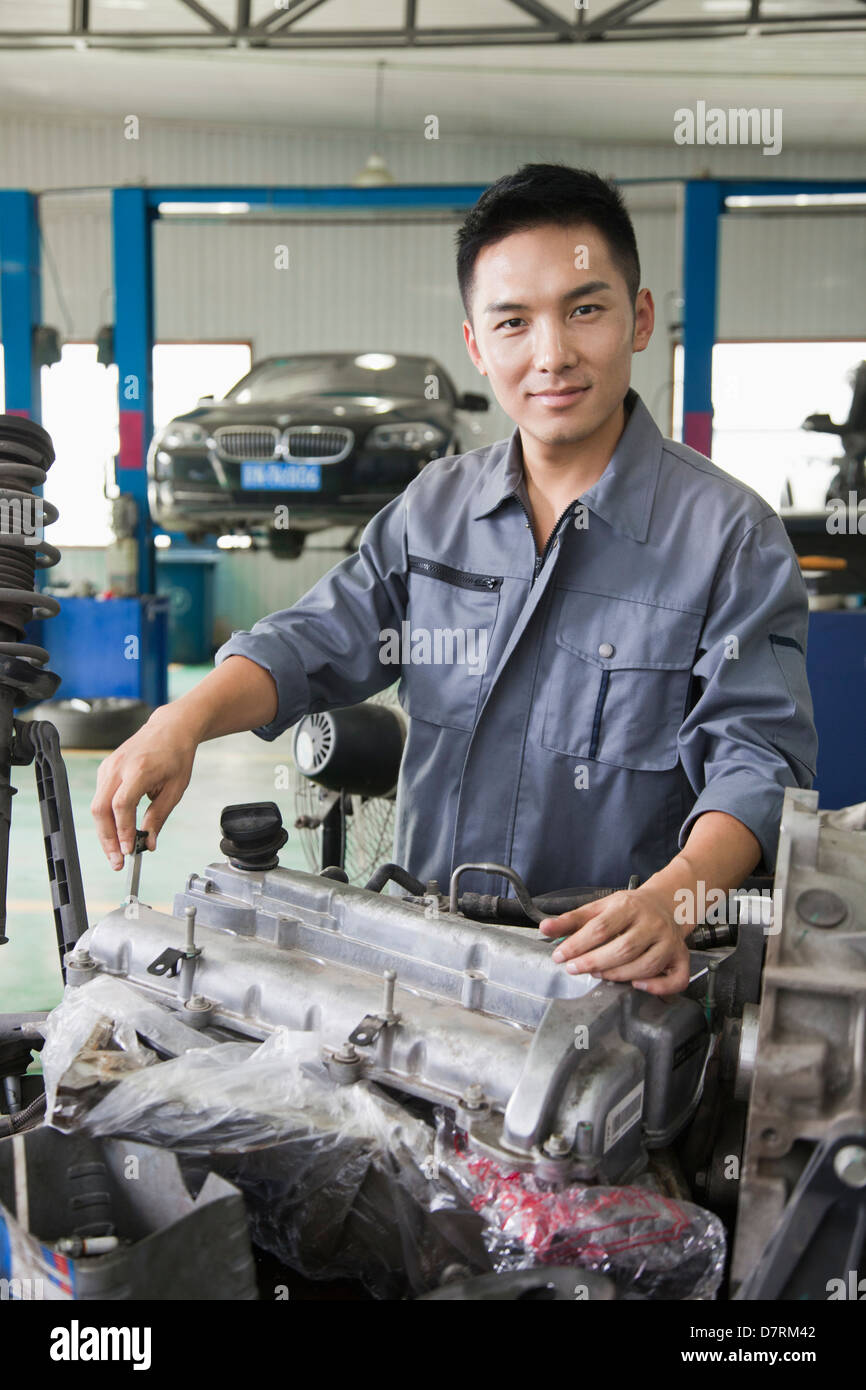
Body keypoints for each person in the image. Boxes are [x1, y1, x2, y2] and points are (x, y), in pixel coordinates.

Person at [91, 163, 817, 997]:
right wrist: (180, 721)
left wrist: (671, 900)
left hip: (612, 975)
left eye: (585, 309)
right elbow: (314, 642)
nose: (552, 355)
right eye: (513, 322)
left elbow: (757, 763)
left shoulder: (728, 538)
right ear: (476, 344)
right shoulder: (434, 509)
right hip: (421, 961)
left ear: (640, 318)